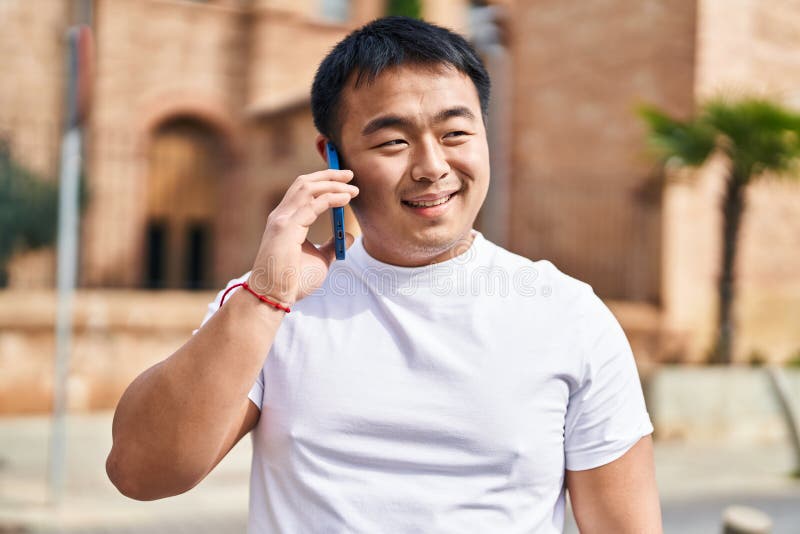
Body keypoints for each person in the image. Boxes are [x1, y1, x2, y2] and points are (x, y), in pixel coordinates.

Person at [107, 16, 662, 533]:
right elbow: (141, 471)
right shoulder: (270, 303)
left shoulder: (569, 315)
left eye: (455, 134)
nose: (432, 167)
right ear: (333, 158)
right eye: (393, 141)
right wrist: (266, 298)